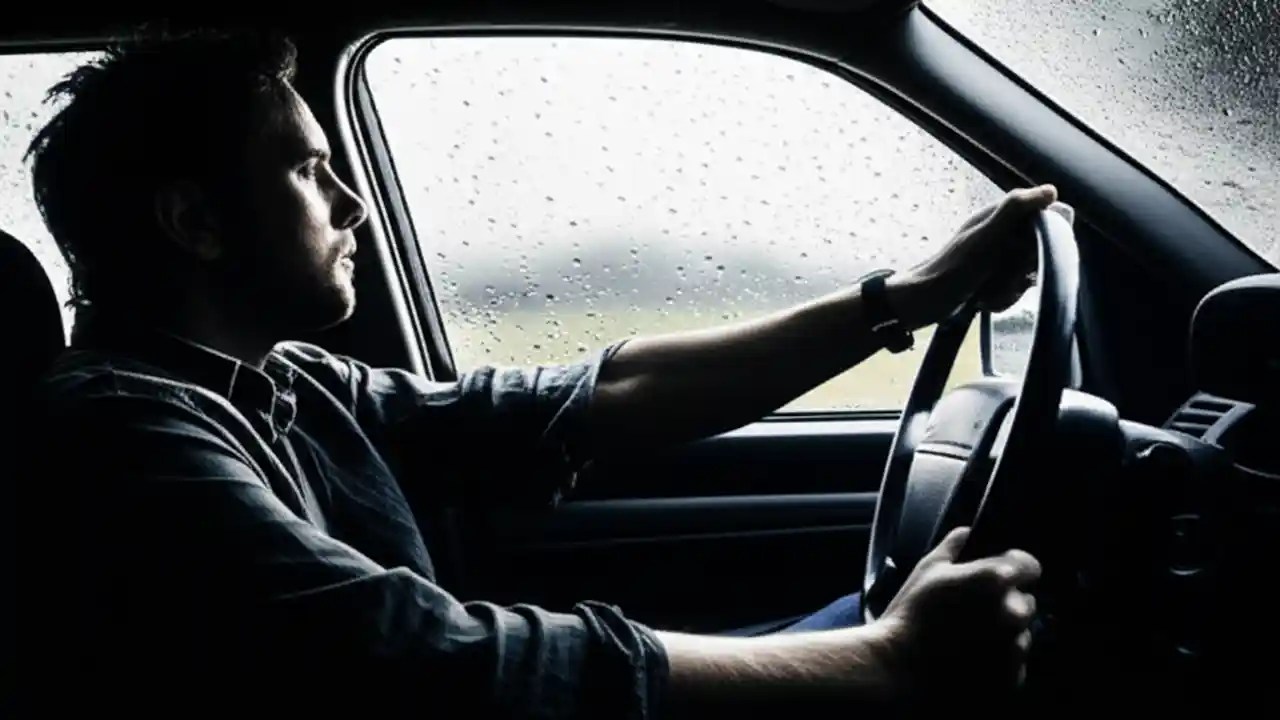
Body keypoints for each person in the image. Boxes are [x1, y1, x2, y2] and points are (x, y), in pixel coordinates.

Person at [20, 30, 1050, 717]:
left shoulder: (286, 385)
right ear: (194, 222)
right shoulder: (116, 434)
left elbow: (591, 402)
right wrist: (882, 665)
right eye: (305, 169)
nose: (351, 205)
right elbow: (419, 658)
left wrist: (897, 300)